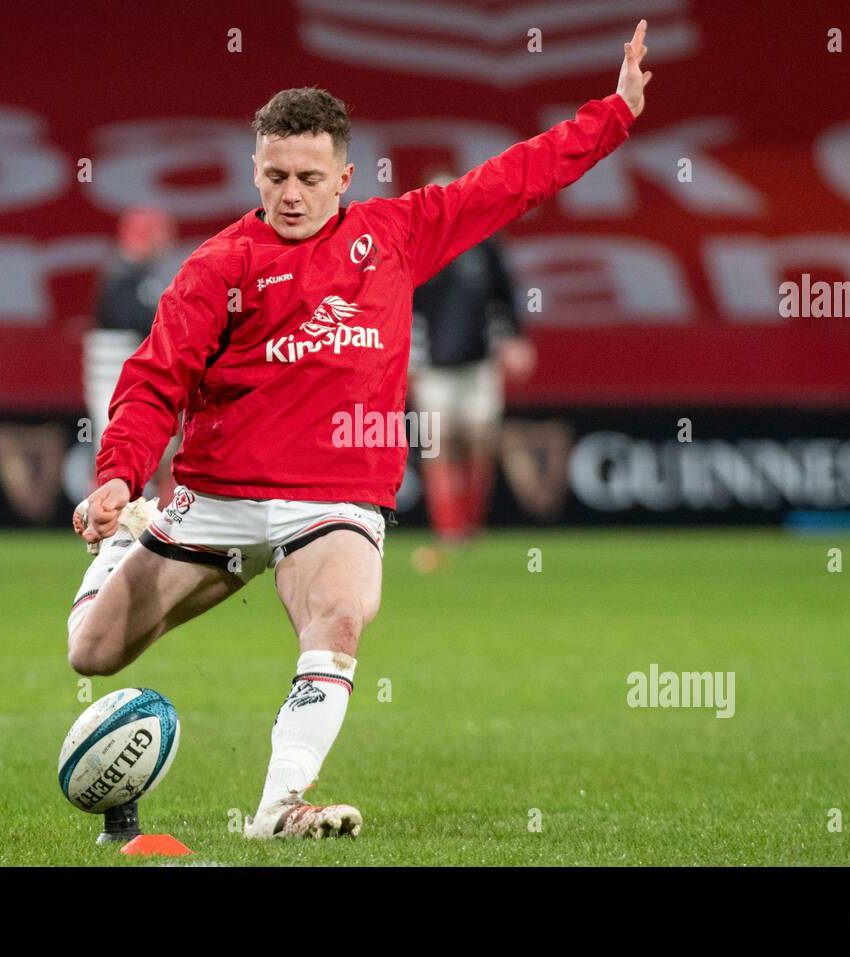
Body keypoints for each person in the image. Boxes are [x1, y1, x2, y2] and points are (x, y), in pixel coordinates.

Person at [67, 21, 653, 841]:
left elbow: (512, 180)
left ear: (345, 175)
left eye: (310, 176)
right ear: (255, 172)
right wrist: (120, 478)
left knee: (340, 616)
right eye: (275, 176)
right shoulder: (219, 266)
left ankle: (278, 808)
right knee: (92, 653)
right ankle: (118, 546)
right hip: (220, 496)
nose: (292, 194)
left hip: (335, 501)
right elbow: (154, 380)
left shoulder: (397, 234)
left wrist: (613, 114)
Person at [408, 170, 537, 563]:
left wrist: (514, 341)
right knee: (441, 445)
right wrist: (408, 361)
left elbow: (505, 300)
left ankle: (471, 526)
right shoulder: (419, 247)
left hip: (480, 365)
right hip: (434, 368)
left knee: (480, 440)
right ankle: (448, 530)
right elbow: (405, 311)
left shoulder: (485, 245)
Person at [84, 208, 181, 501]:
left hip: (132, 384)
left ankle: (154, 524)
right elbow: (141, 323)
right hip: (116, 385)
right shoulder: (124, 279)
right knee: (121, 455)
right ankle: (109, 526)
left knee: (158, 454)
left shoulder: (135, 277)